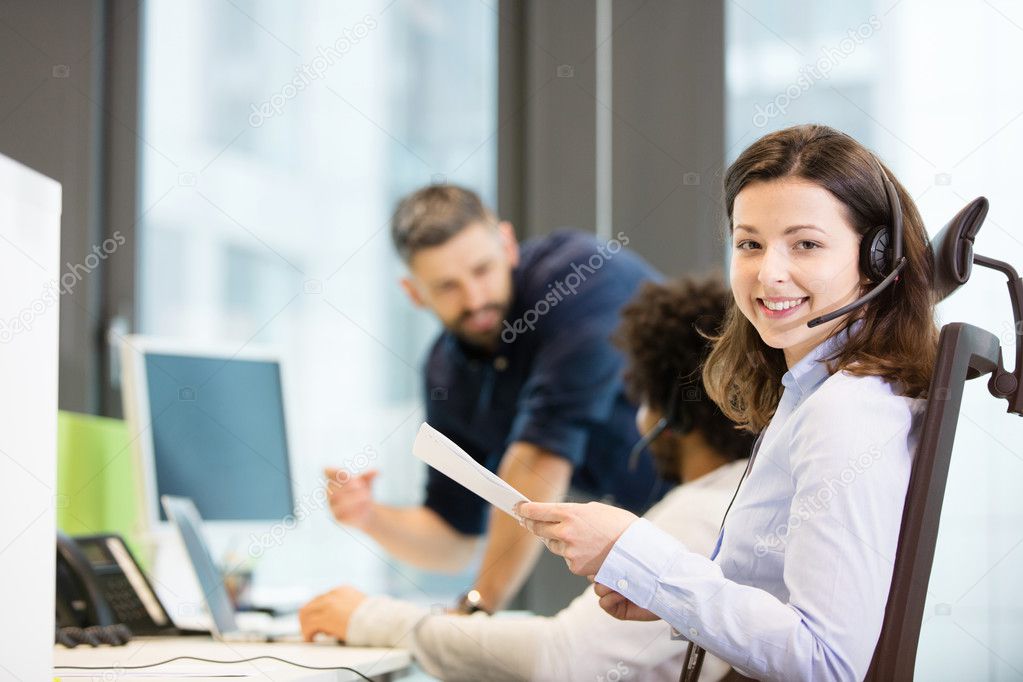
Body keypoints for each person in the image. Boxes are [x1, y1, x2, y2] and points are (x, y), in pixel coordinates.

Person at [517, 124, 938, 681]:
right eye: (750, 243)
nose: (769, 273)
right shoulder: (813, 394)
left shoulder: (847, 411)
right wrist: (660, 592)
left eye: (806, 244)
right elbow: (778, 601)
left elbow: (825, 663)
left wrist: (639, 554)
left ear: (876, 259)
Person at [300, 276, 755, 681]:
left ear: (668, 414)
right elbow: (454, 541)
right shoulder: (736, 499)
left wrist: (373, 618)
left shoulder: (700, 513)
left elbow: (562, 659)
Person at [325, 185, 668, 614]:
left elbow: (540, 460)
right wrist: (370, 517)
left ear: (507, 245)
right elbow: (453, 539)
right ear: (414, 293)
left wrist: (480, 605)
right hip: (658, 521)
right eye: (447, 287)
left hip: (738, 479)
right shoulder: (445, 375)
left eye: (482, 269)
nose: (474, 299)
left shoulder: (578, 278)